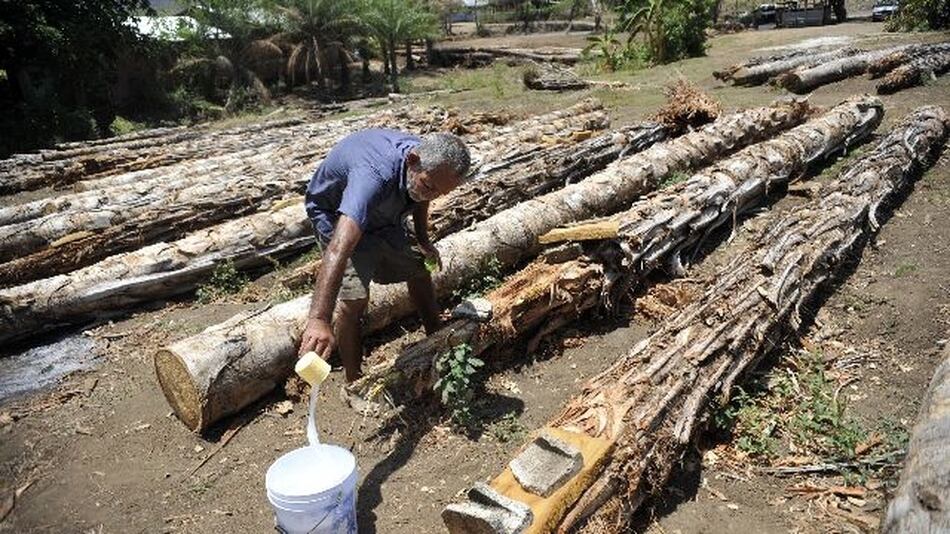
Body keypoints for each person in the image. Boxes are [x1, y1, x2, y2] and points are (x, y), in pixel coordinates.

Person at [297, 129, 472, 383]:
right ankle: (354, 381)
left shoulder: (426, 165)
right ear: (412, 161)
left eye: (439, 193)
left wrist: (423, 241)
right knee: (353, 300)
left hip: (385, 211)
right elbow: (339, 247)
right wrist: (318, 319)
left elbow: (421, 196)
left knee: (418, 268)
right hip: (335, 214)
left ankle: (437, 336)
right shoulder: (373, 175)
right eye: (428, 186)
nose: (431, 195)